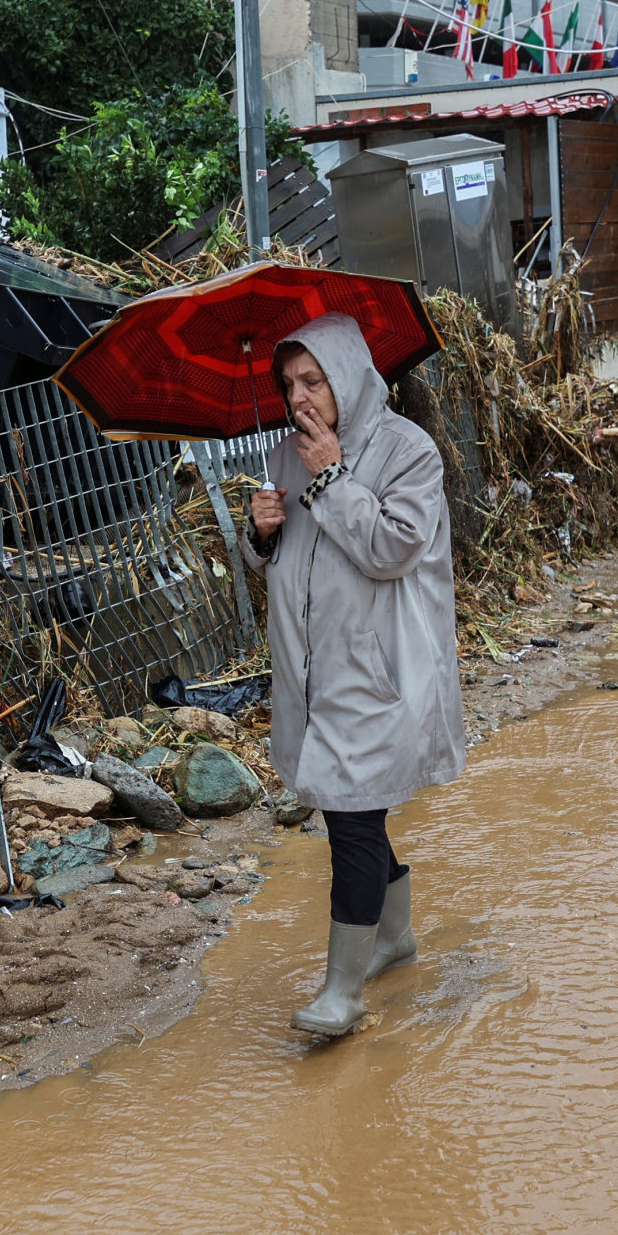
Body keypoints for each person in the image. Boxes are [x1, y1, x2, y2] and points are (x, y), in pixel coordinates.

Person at [242, 313, 466, 1037]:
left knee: (351, 817)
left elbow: (392, 548)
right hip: (311, 669)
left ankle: (341, 993)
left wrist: (334, 475)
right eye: (287, 384)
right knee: (350, 806)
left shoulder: (409, 451)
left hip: (377, 668)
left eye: (313, 380)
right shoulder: (283, 456)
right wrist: (259, 533)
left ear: (346, 376)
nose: (299, 396)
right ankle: (395, 939)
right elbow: (284, 566)